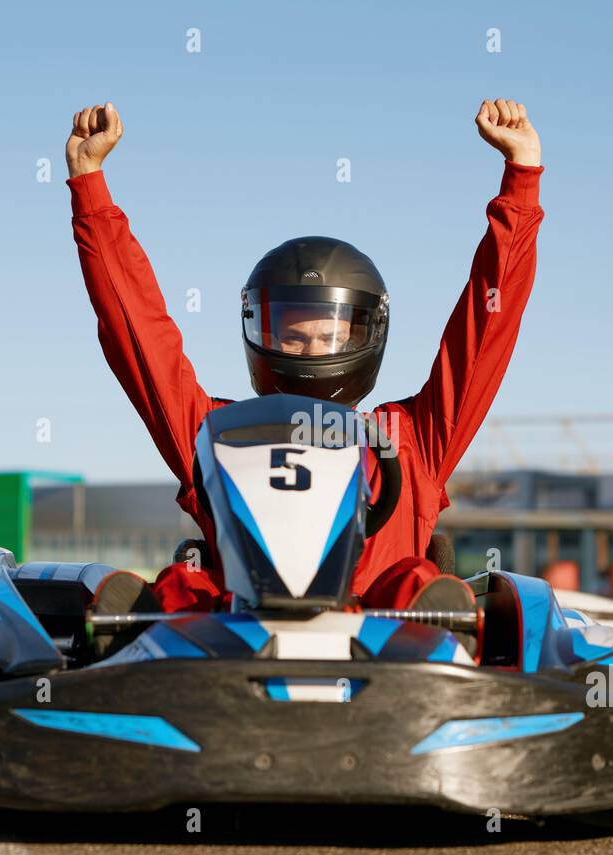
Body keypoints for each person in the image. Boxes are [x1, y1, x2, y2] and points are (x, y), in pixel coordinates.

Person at [66, 98, 544, 615]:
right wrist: (89, 183)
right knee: (186, 583)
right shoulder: (214, 431)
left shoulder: (412, 439)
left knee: (412, 579)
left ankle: (434, 610)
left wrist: (520, 180)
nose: (311, 351)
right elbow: (136, 329)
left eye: (329, 337)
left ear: (368, 334)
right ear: (259, 331)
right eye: (293, 336)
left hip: (389, 643)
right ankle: (151, 624)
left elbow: (486, 329)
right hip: (236, 641)